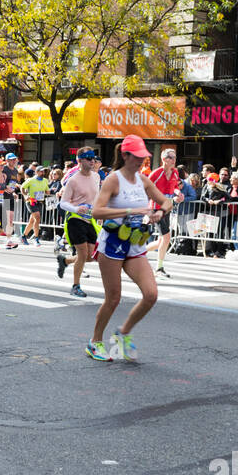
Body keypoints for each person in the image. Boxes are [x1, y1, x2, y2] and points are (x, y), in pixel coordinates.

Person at [85, 136, 173, 361]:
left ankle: (123, 333)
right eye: (138, 157)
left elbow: (166, 201)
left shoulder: (143, 180)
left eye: (144, 157)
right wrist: (128, 212)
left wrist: (159, 212)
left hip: (134, 243)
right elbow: (96, 211)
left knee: (151, 294)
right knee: (113, 298)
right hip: (112, 243)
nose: (142, 161)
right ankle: (95, 342)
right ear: (125, 156)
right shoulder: (113, 180)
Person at [55, 149, 101, 296]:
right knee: (82, 254)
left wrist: (99, 211)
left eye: (93, 158)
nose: (92, 161)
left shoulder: (96, 176)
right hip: (75, 219)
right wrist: (76, 208)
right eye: (88, 158)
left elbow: (96, 196)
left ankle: (65, 261)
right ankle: (76, 286)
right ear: (79, 161)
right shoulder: (73, 180)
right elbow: (63, 203)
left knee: (91, 256)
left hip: (90, 219)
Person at [147, 149, 182, 276]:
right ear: (164, 159)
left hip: (167, 207)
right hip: (156, 208)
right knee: (166, 237)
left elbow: (175, 187)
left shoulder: (175, 172)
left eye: (175, 157)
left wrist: (178, 194)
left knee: (163, 239)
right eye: (171, 157)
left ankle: (140, 253)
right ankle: (159, 268)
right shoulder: (156, 173)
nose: (174, 160)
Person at [19, 166, 49, 245]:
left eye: (43, 171)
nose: (43, 173)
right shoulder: (31, 180)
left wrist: (49, 192)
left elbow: (47, 191)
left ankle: (23, 236)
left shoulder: (45, 181)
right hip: (31, 201)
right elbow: (22, 187)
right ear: (36, 172)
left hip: (39, 202)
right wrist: (25, 195)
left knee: (32, 221)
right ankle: (36, 238)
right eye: (41, 171)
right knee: (37, 218)